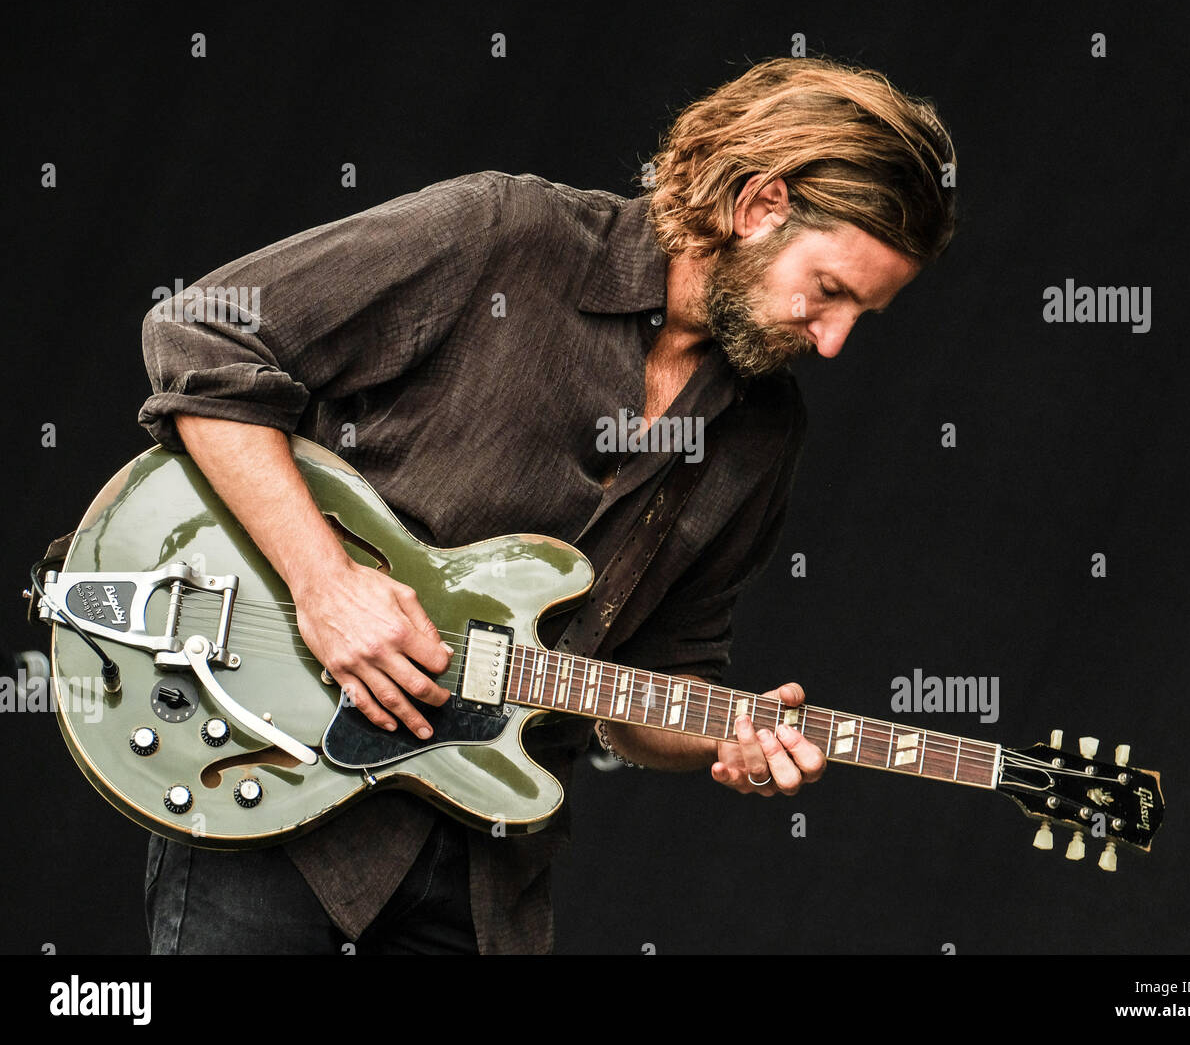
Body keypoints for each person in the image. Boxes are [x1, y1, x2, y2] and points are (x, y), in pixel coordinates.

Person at [137, 55, 956, 954]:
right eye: (830, 292)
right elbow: (201, 330)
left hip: (488, 879)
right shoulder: (505, 234)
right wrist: (326, 584)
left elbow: (648, 686)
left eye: (859, 317)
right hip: (274, 793)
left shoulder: (763, 430)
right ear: (759, 205)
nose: (832, 341)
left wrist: (731, 734)